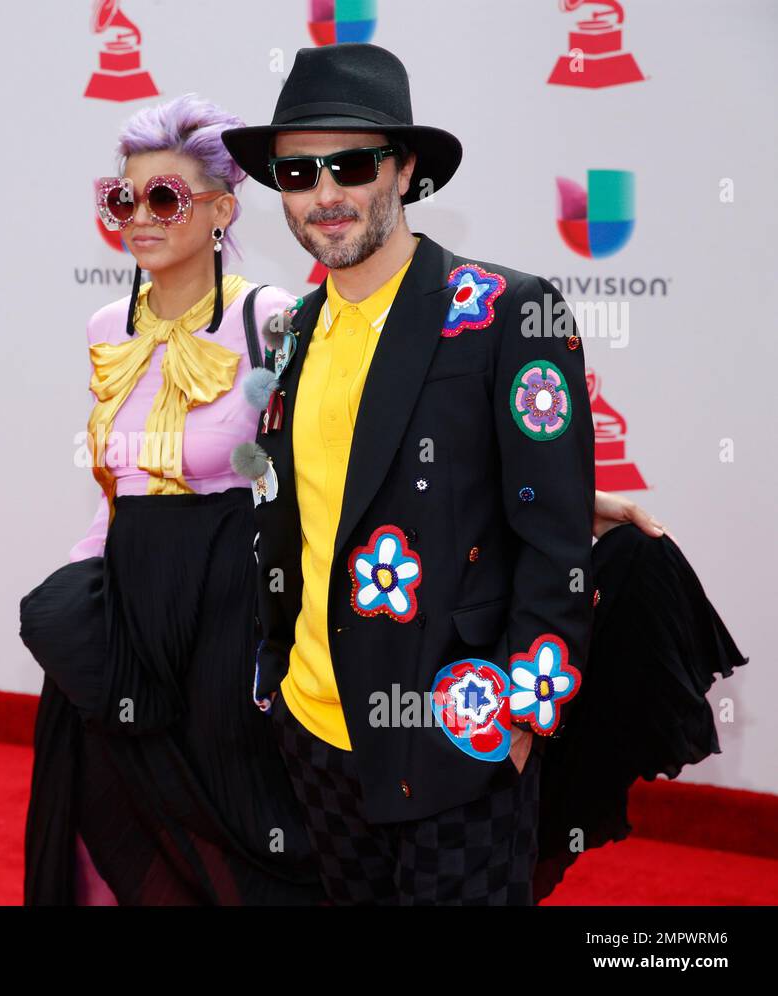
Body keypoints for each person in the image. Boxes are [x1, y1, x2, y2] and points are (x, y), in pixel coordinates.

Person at [219, 42, 746, 905]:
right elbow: (303, 512)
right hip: (314, 730)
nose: (324, 194)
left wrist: (521, 714)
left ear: (406, 167)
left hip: (457, 734)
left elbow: (550, 542)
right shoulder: (293, 335)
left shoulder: (506, 313)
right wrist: (275, 688)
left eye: (350, 164)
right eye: (297, 172)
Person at [20, 93, 326, 905]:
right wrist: (78, 595)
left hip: (227, 612)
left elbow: (324, 461)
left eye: (165, 198)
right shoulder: (103, 326)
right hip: (131, 601)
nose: (139, 217)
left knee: (231, 823)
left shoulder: (272, 318)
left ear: (222, 210)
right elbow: (118, 489)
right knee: (109, 812)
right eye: (123, 198)